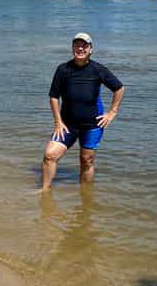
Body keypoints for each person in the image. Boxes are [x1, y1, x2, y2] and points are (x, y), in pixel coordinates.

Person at [41, 33, 125, 189]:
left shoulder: (98, 70)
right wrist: (58, 122)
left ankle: (86, 197)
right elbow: (53, 97)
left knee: (87, 160)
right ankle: (45, 192)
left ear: (91, 49)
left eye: (84, 46)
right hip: (67, 125)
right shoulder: (63, 70)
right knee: (49, 156)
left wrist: (112, 112)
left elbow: (119, 88)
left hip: (92, 125)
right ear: (72, 48)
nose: (80, 48)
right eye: (77, 45)